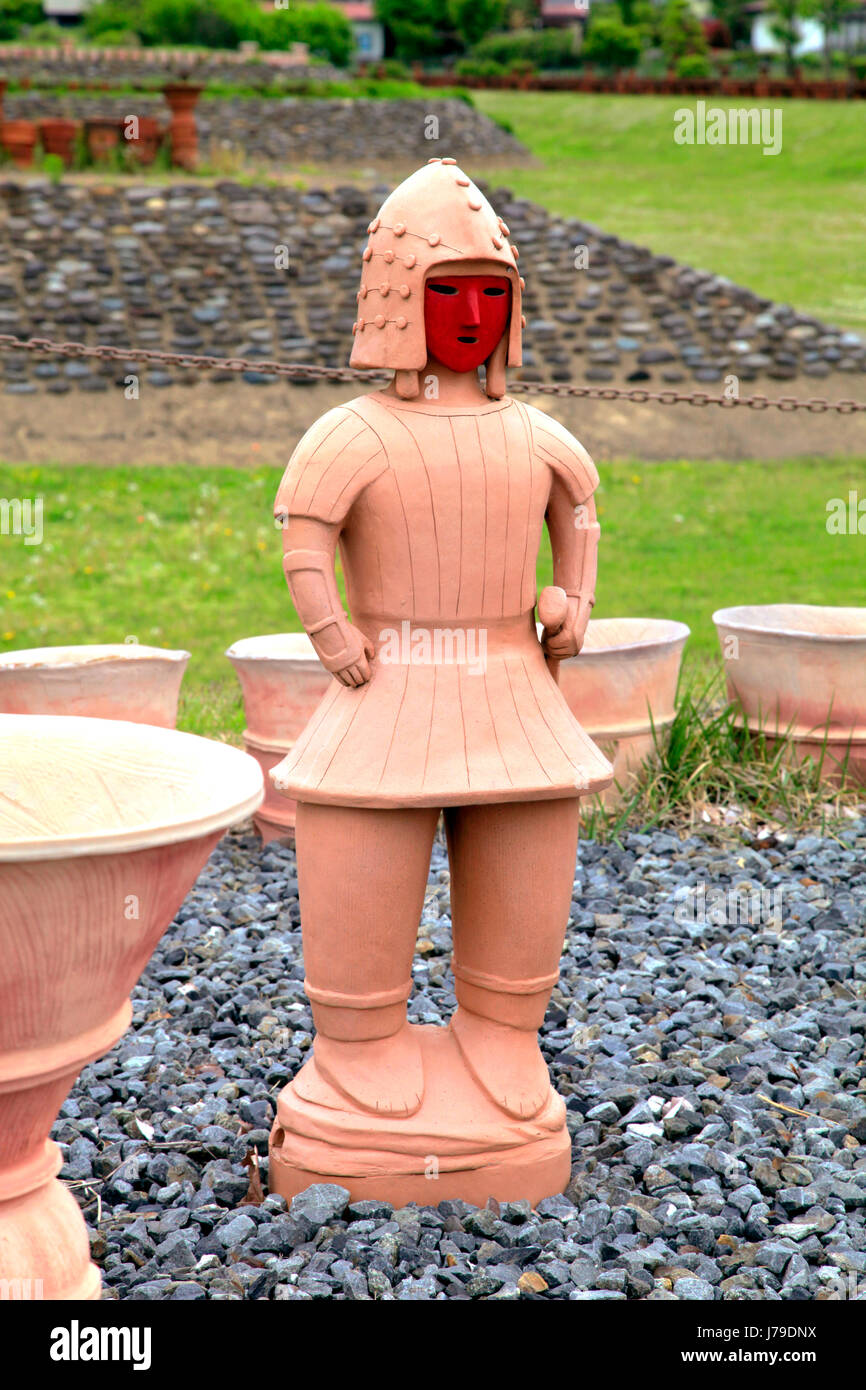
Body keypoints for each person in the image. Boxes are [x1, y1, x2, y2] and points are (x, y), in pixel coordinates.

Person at [273, 157, 611, 1130]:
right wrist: (331, 629)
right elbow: (306, 532)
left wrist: (573, 599)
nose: (470, 313)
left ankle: (502, 1029)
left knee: (528, 836)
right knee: (358, 836)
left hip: (512, 688)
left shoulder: (533, 433)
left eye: (489, 293)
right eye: (447, 291)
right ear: (397, 301)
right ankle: (360, 1039)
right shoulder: (353, 433)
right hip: (387, 686)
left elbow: (576, 508)